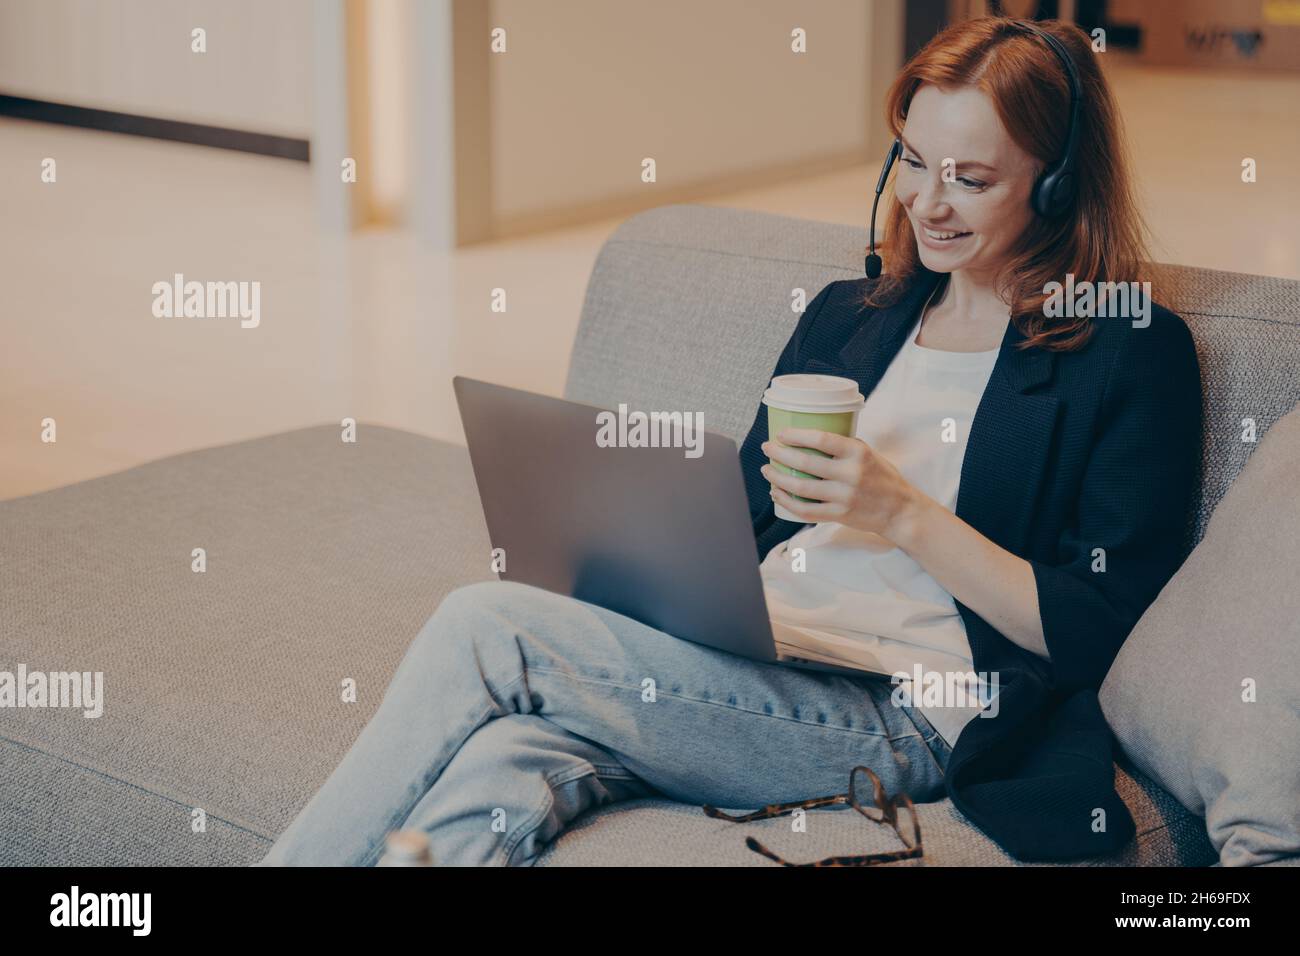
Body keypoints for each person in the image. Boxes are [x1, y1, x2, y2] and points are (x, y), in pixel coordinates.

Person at [259, 16, 1201, 866]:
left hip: (912, 709)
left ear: (1061, 180)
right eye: (914, 160)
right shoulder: (853, 316)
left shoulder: (1127, 352)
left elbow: (1100, 631)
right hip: (758, 655)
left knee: (488, 625)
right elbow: (745, 522)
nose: (928, 201)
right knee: (505, 764)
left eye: (974, 178)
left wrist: (902, 514)